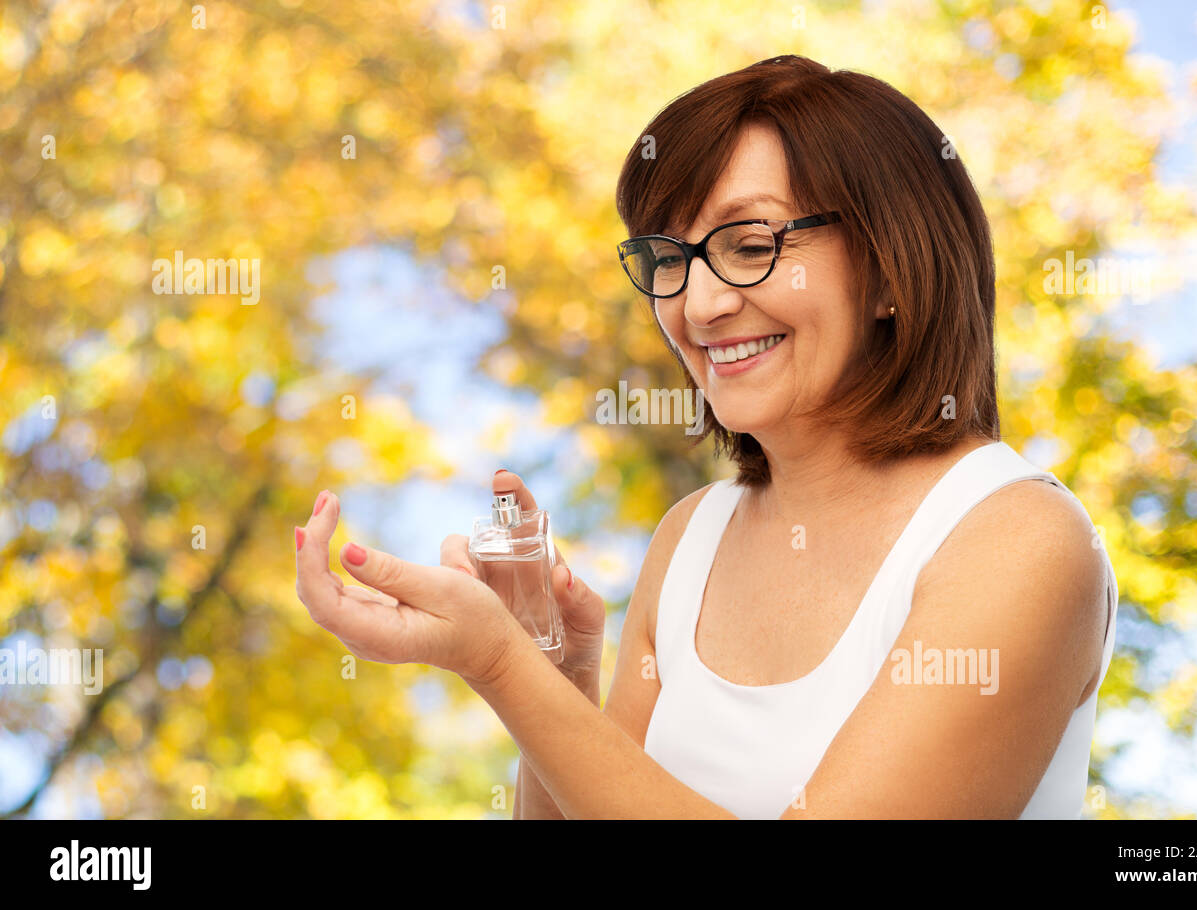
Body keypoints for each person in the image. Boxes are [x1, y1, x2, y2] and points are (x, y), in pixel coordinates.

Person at [294, 55, 1118, 819]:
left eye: (750, 244)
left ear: (891, 268)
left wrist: (501, 667)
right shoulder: (692, 538)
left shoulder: (1020, 540)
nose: (699, 305)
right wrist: (556, 682)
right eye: (670, 259)